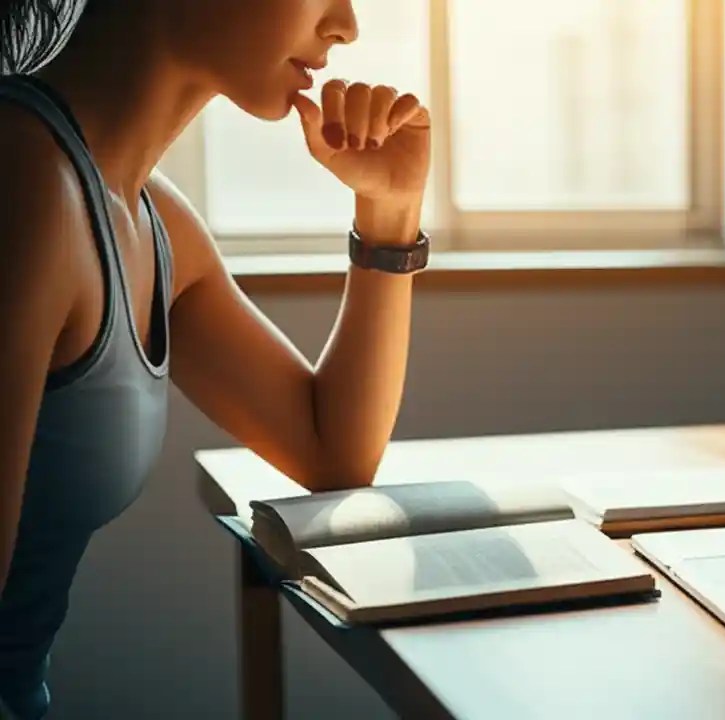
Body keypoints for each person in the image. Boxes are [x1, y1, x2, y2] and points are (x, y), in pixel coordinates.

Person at [0, 1, 432, 717]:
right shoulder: (25, 181)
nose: (345, 24)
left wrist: (391, 209)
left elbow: (332, 450)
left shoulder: (146, 215)